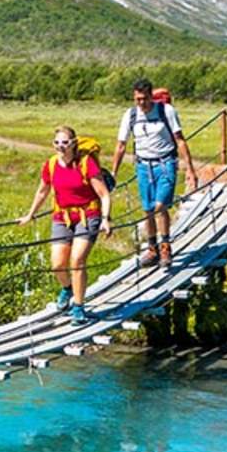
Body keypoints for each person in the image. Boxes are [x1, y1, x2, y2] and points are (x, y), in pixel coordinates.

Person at [17, 127, 113, 324]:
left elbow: (104, 194)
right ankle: (67, 288)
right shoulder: (51, 165)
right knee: (58, 264)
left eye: (65, 142)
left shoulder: (86, 163)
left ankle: (78, 307)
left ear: (73, 143)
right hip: (62, 216)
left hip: (89, 215)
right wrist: (30, 214)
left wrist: (105, 218)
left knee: (77, 260)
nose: (61, 146)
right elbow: (42, 191)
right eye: (57, 143)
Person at [110, 78, 195, 268]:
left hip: (165, 164)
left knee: (160, 206)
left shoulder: (166, 111)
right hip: (143, 166)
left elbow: (180, 140)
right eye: (138, 99)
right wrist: (113, 173)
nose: (141, 103)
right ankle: (152, 249)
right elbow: (121, 145)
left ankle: (165, 247)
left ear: (151, 96)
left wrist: (189, 169)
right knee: (147, 209)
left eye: (145, 99)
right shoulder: (130, 115)